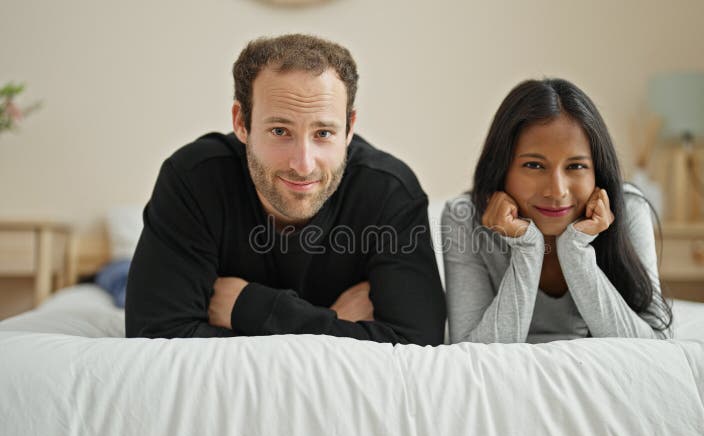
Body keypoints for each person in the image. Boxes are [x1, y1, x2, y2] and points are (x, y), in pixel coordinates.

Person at [125, 34, 446, 345]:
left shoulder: (389, 191)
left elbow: (415, 342)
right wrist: (335, 322)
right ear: (241, 122)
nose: (303, 164)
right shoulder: (193, 179)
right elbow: (155, 336)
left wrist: (251, 307)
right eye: (280, 131)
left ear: (349, 128)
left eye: (323, 133)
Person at [442, 78, 673, 344]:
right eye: (534, 165)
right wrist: (527, 248)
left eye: (575, 167)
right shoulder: (464, 219)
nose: (557, 190)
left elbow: (654, 346)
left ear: (598, 171)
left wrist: (575, 250)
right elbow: (471, 353)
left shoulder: (630, 208)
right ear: (502, 167)